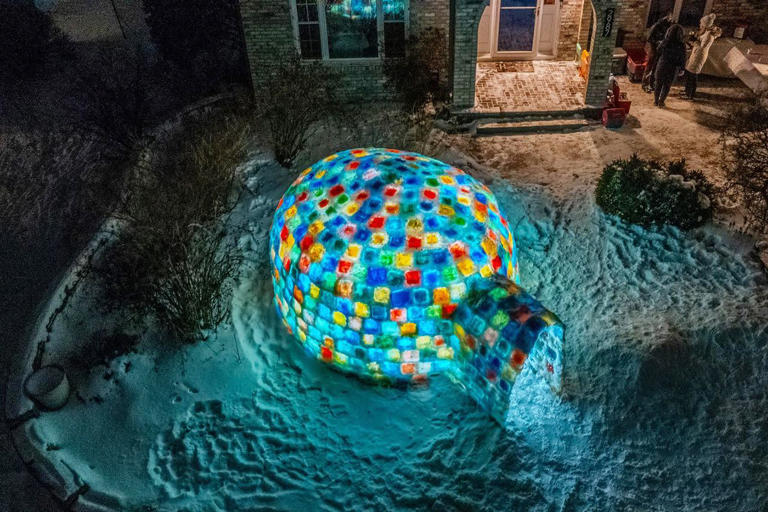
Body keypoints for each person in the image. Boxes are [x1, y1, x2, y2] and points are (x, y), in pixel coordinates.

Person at [682, 14, 722, 100]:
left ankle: (690, 94)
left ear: (705, 25)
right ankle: (687, 90)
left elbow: (702, 46)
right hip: (696, 54)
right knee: (689, 73)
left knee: (693, 75)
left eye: (701, 23)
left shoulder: (709, 35)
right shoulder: (705, 32)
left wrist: (693, 41)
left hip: (699, 56)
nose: (700, 25)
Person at [654, 24, 687, 107]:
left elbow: (658, 50)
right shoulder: (681, 45)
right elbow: (683, 57)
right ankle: (661, 102)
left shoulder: (665, 42)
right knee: (667, 85)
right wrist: (682, 69)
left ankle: (656, 101)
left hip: (662, 65)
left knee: (658, 84)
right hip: (673, 67)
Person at [643, 13, 675, 92]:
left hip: (660, 50)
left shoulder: (668, 27)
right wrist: (658, 42)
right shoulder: (656, 26)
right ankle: (645, 84)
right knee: (649, 67)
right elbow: (649, 39)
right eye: (669, 18)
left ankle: (651, 84)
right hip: (653, 49)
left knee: (655, 68)